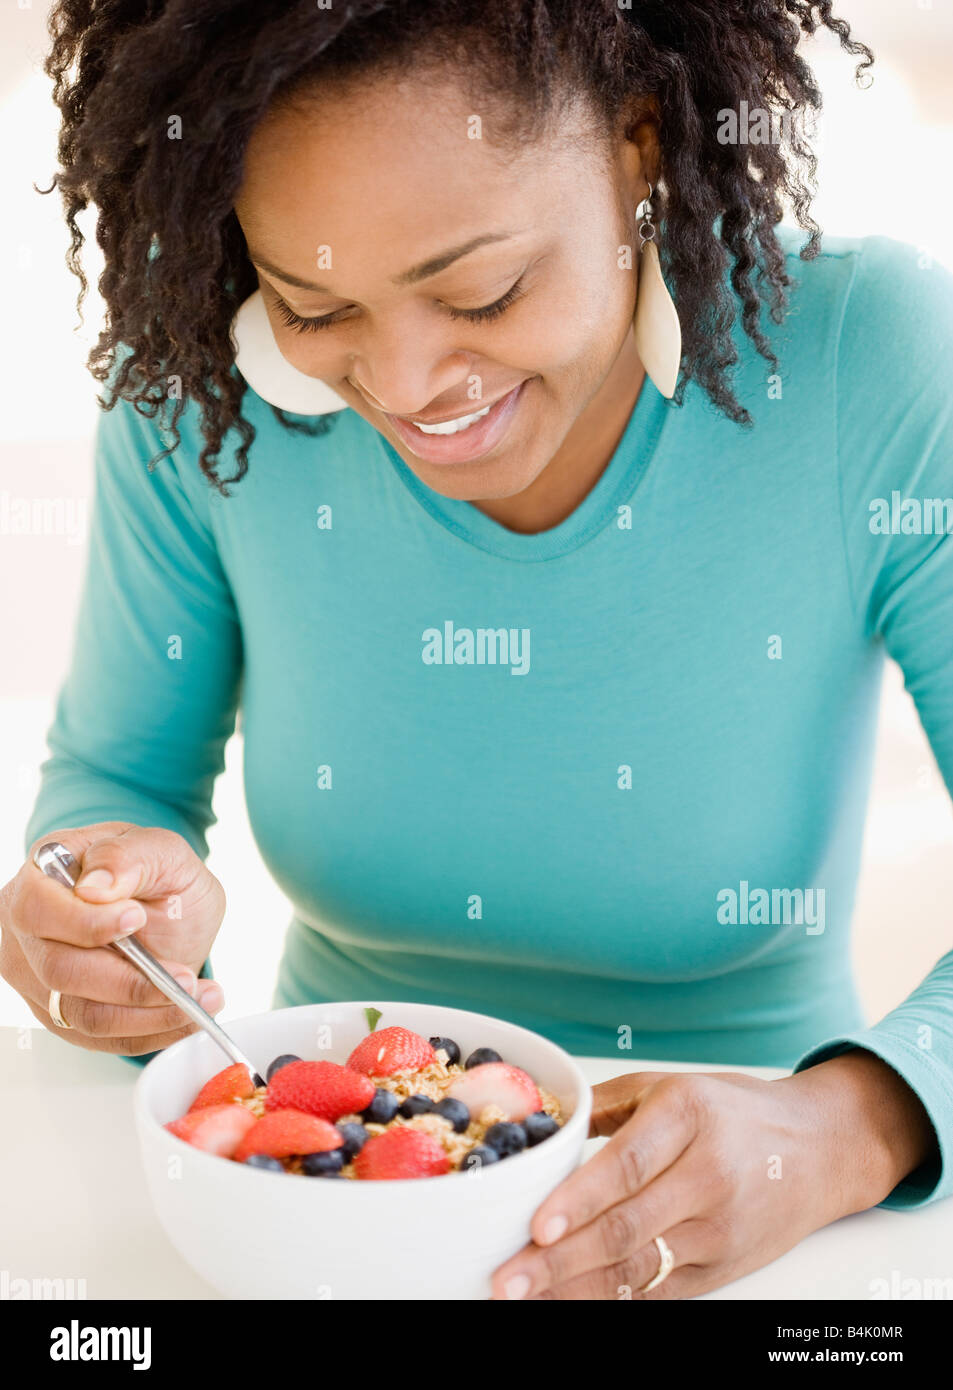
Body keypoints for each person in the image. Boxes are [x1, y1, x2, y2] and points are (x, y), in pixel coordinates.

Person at [2, 0, 950, 1301]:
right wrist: (97, 916)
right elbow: (112, 779)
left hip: (763, 1245)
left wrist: (852, 1125)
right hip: (318, 1217)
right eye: (313, 304)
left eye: (480, 291)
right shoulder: (202, 399)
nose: (400, 383)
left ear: (637, 144)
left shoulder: (864, 357)